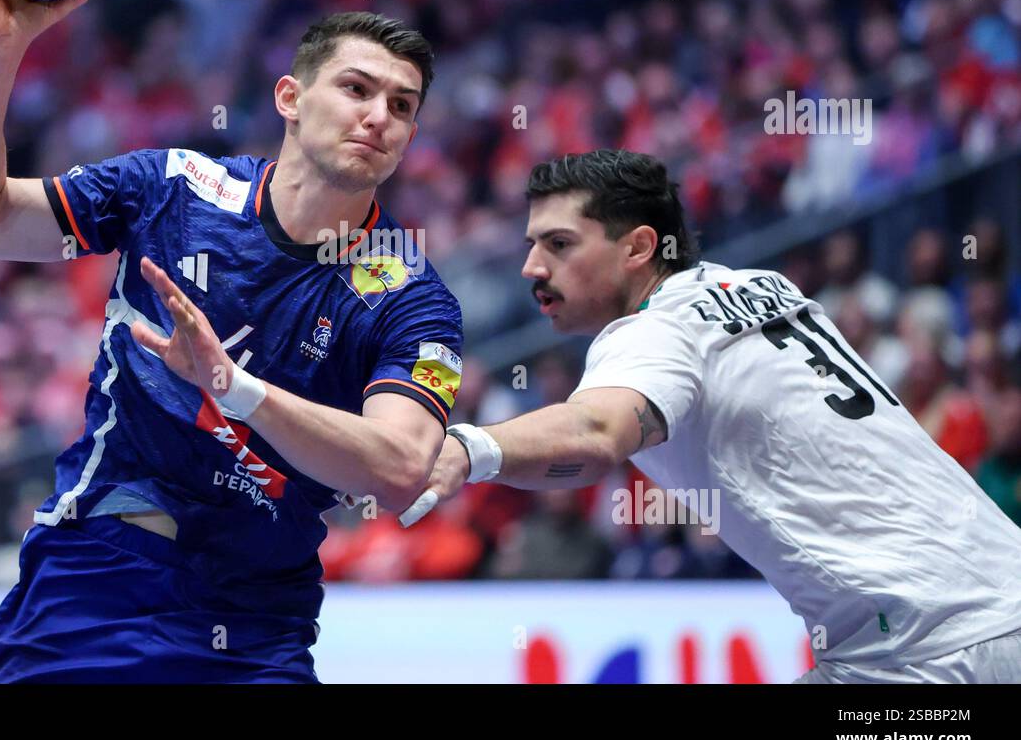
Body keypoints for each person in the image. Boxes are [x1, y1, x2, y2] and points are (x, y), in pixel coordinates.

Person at [0, 0, 463, 682]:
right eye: (357, 88)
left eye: (402, 106)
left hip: (252, 621)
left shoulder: (411, 296)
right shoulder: (172, 186)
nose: (379, 116)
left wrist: (235, 390)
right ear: (290, 98)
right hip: (94, 581)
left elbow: (403, 466)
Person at [400, 149, 1021, 683]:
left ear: (640, 247)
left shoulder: (655, 330)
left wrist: (466, 449)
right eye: (532, 244)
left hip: (935, 650)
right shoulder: (760, 286)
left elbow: (594, 434)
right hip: (976, 604)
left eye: (559, 244)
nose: (532, 267)